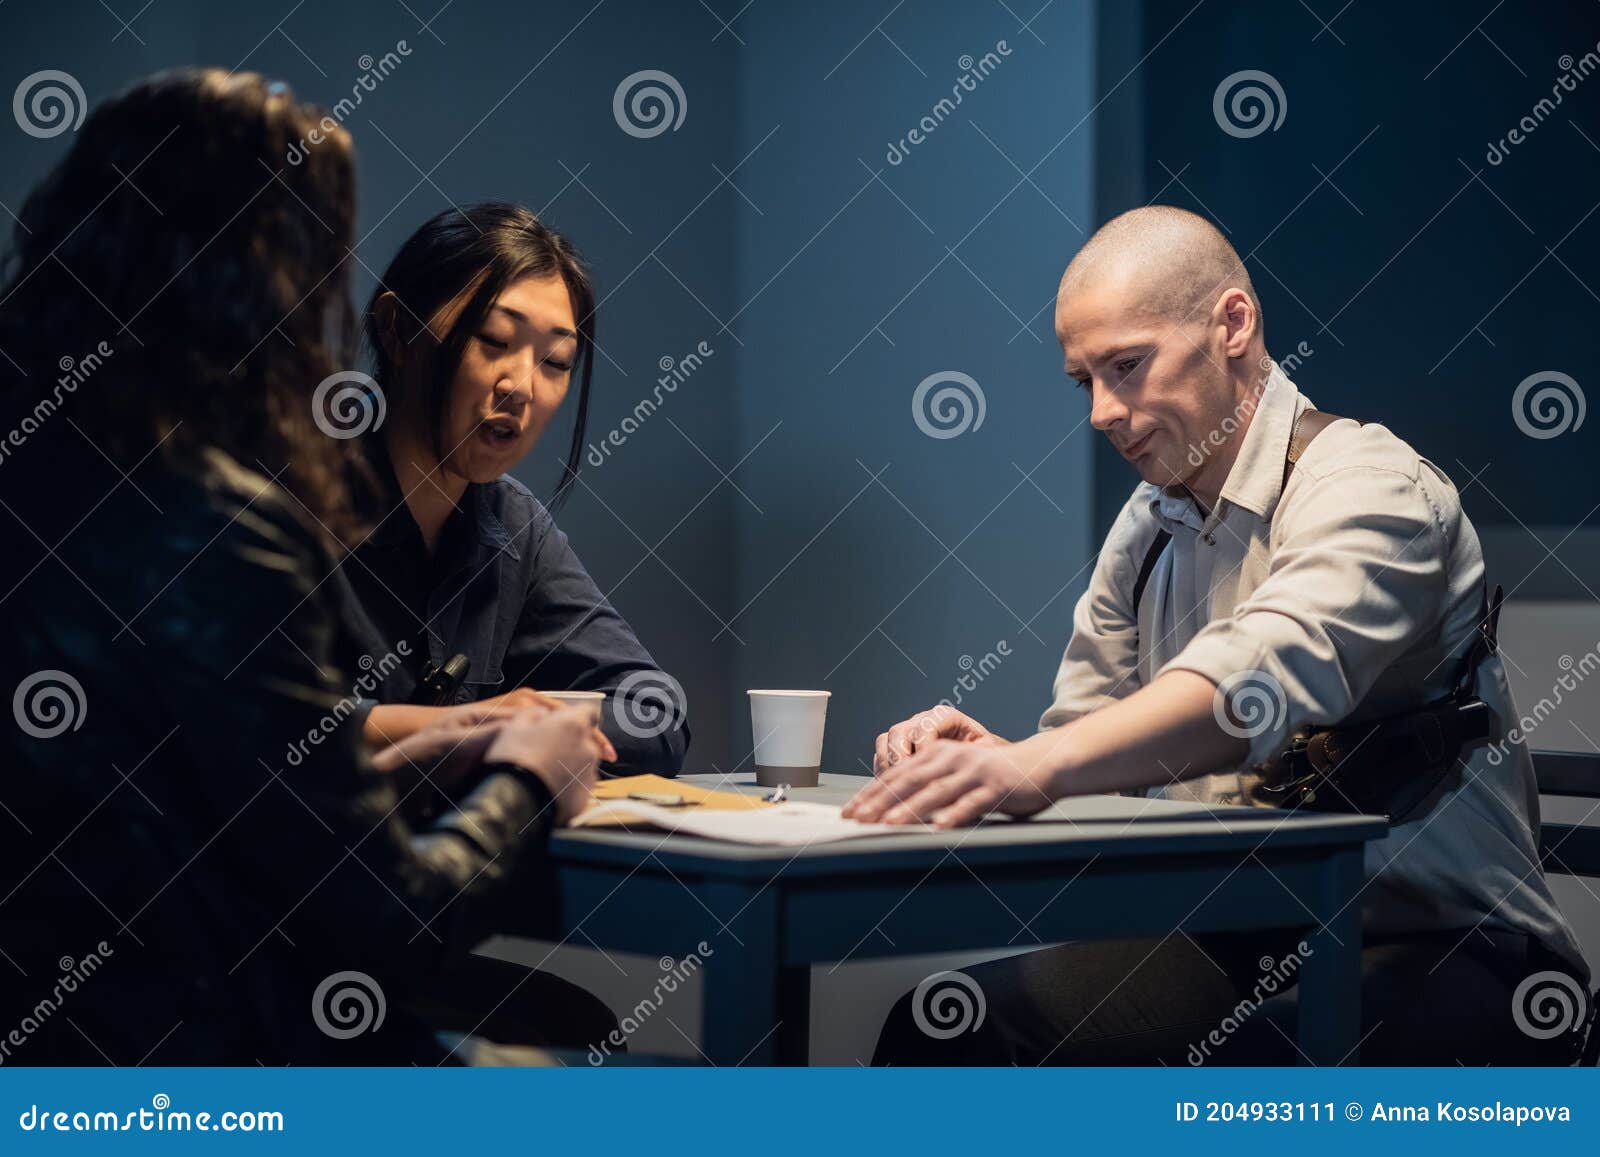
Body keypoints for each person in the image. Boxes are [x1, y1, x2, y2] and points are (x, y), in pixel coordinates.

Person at [847, 206, 1591, 1065]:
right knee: (949, 1026)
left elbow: (1256, 679)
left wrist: (1033, 767)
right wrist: (998, 759)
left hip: (1456, 949)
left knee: (1239, 1075)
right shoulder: (1148, 527)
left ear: (1232, 324)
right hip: (1246, 933)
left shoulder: (1375, 488)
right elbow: (1091, 761)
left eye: (1126, 366)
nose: (1100, 412)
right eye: (1083, 380)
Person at [0, 68, 608, 1065]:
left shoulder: (48, 481)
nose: (521, 388)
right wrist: (526, 776)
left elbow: (188, 787)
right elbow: (392, 924)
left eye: (554, 359)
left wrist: (409, 743)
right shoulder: (232, 530)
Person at [337, 203, 688, 778]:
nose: (522, 387)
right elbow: (258, 725)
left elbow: (655, 713)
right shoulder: (287, 500)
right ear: (396, 329)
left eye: (555, 360)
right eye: (493, 339)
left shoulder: (512, 522)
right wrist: (480, 725)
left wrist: (527, 724)